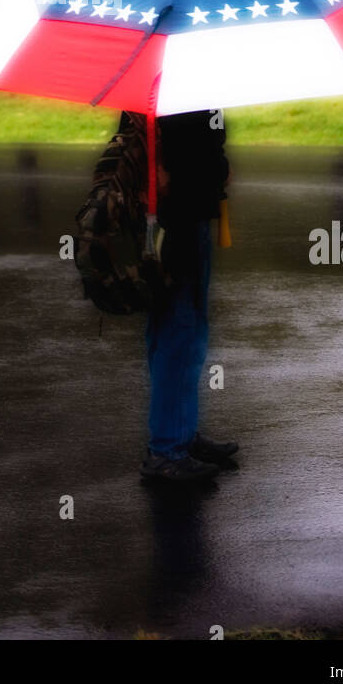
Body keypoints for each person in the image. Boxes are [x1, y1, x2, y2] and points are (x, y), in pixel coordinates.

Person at [139, 109, 238, 483]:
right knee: (181, 329)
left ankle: (179, 430)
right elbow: (190, 143)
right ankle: (168, 449)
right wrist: (217, 166)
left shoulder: (165, 71)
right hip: (178, 213)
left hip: (181, 209)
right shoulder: (177, 77)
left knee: (173, 326)